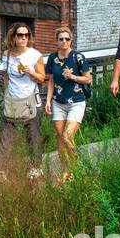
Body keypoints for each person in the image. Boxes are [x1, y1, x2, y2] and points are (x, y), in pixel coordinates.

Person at [43, 27, 91, 183]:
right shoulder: (52, 58)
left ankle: (76, 165)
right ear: (56, 41)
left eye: (67, 39)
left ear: (71, 40)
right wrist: (48, 100)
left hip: (76, 102)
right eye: (61, 39)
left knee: (66, 136)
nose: (64, 41)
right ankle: (66, 172)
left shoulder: (78, 57)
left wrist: (73, 76)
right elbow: (50, 79)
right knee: (60, 138)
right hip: (58, 102)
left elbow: (88, 79)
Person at [0, 22, 46, 164]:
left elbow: (42, 77)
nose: (24, 38)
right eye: (20, 35)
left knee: (32, 137)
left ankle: (36, 169)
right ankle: (2, 170)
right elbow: (6, 76)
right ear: (13, 38)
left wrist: (31, 72)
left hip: (30, 102)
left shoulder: (34, 55)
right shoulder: (6, 54)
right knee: (6, 138)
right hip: (11, 101)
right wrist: (5, 93)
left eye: (26, 35)